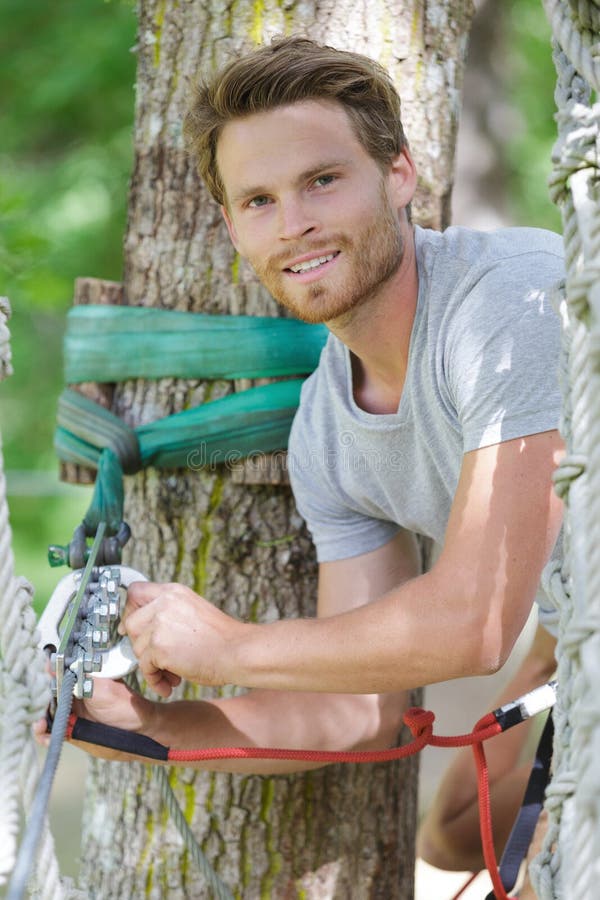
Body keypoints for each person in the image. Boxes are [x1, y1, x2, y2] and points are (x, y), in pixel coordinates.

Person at [37, 35, 565, 814]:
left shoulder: (511, 303)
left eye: (322, 181)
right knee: (456, 833)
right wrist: (153, 723)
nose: (294, 225)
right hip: (579, 625)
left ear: (399, 174)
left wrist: (229, 646)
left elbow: (476, 622)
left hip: (570, 631)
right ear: (231, 225)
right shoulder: (324, 428)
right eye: (260, 201)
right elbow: (357, 712)